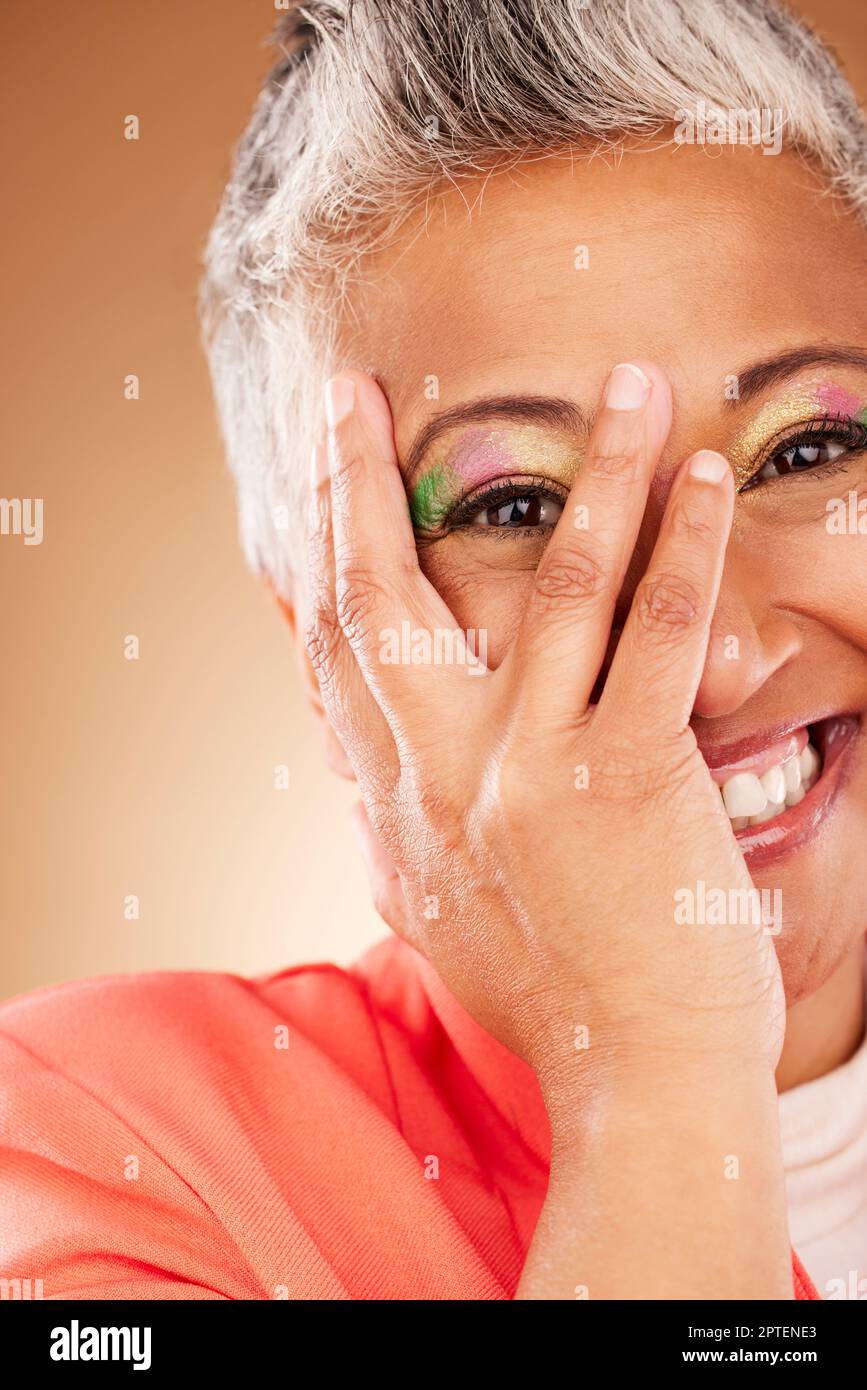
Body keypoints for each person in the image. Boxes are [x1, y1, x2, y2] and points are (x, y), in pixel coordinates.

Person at [3, 0, 867, 1299]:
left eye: (807, 450)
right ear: (327, 649)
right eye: (518, 506)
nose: (719, 654)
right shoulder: (99, 1144)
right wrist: (653, 1066)